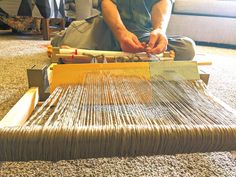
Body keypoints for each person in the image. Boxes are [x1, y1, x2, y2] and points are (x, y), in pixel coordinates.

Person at [52, 0, 195, 60]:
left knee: (186, 48)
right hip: (108, 27)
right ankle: (68, 33)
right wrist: (121, 33)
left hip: (140, 34)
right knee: (65, 47)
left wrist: (159, 29)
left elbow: (162, 1)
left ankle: (116, 53)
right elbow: (107, 2)